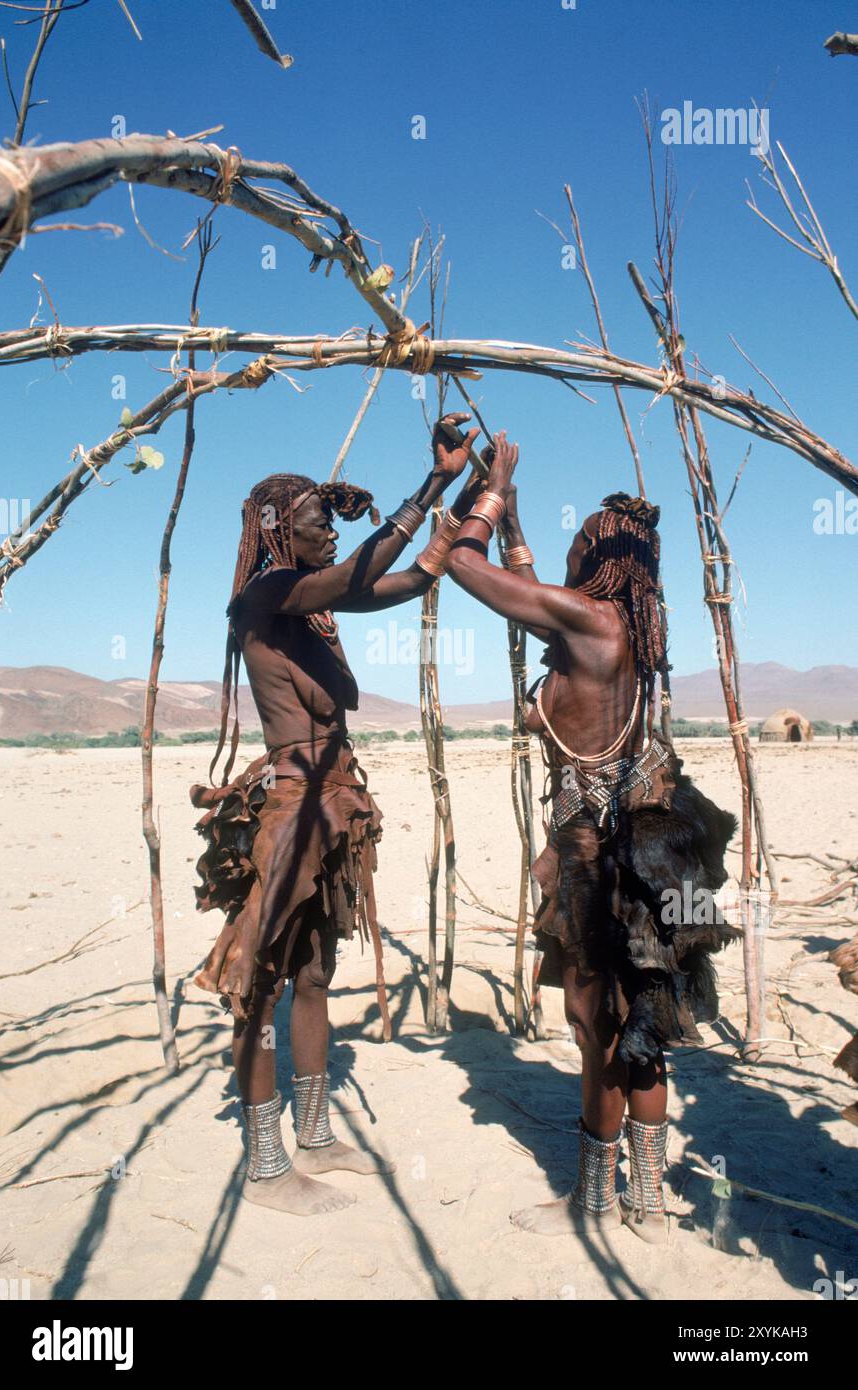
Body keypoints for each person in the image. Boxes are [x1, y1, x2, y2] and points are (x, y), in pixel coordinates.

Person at [447, 429, 738, 1242]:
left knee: (595, 1027)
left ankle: (595, 1200)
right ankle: (647, 1200)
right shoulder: (621, 630)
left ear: (603, 560)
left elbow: (469, 572)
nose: (571, 550)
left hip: (592, 859)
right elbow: (527, 586)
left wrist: (492, 491)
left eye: (581, 541)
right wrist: (515, 516)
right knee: (642, 1021)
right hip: (641, 854)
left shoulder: (590, 622)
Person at [190, 414, 480, 1216]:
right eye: (318, 524)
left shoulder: (313, 611)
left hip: (336, 803)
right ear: (283, 529)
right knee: (262, 982)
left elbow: (408, 579)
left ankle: (314, 1133)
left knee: (315, 972)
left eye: (331, 525)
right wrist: (430, 487)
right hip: (287, 810)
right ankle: (266, 1162)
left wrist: (470, 507)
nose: (329, 535)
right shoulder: (265, 597)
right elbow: (360, 570)